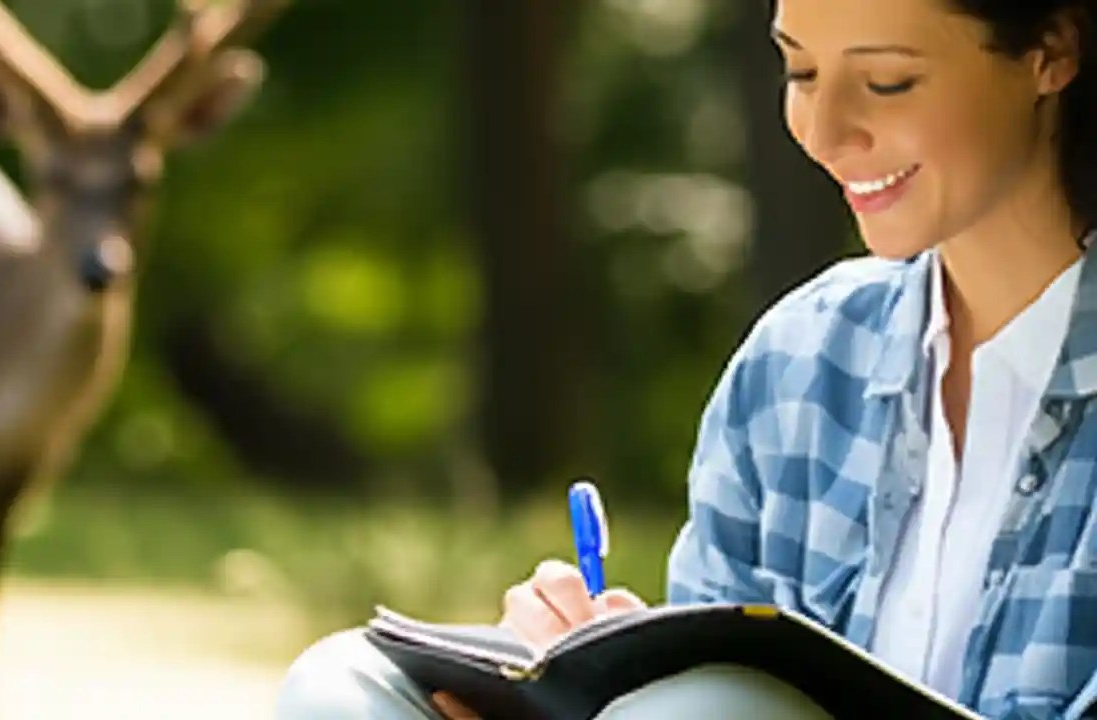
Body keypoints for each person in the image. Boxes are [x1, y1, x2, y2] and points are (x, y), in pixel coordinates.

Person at [276, 0, 1097, 716]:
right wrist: (607, 676)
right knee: (345, 688)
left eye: (886, 82)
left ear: (1052, 49)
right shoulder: (800, 365)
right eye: (802, 72)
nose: (824, 130)